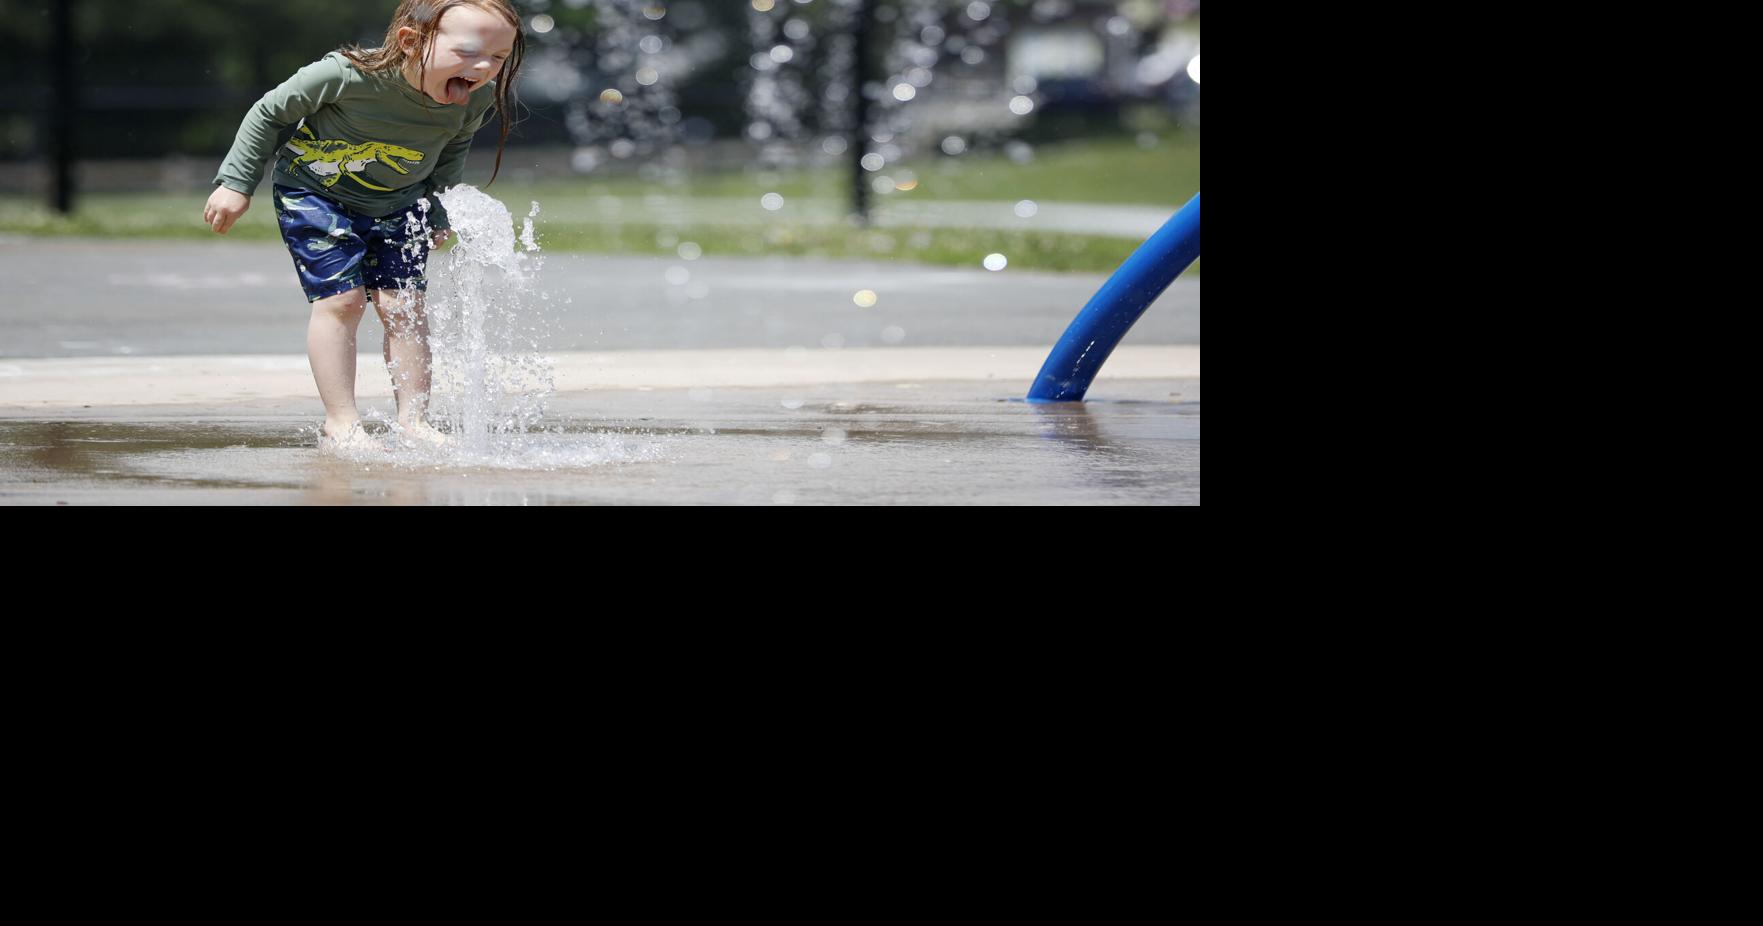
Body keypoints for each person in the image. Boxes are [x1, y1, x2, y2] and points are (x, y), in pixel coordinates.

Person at [204, 0, 525, 453]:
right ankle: (342, 421)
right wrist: (236, 183)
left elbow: (450, 155)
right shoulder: (345, 75)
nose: (484, 67)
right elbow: (268, 113)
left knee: (405, 307)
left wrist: (438, 212)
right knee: (343, 301)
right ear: (411, 41)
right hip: (315, 193)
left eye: (498, 57)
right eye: (470, 51)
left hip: (399, 202)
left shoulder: (467, 106)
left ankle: (414, 420)